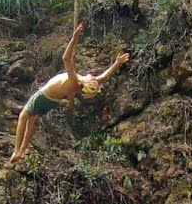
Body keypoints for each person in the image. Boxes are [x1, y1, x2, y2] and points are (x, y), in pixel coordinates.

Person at [9, 22, 130, 163]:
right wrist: (117, 63)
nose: (93, 76)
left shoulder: (75, 81)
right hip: (52, 101)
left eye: (92, 79)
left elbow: (66, 58)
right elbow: (105, 76)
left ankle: (16, 150)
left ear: (87, 83)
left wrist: (74, 38)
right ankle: (23, 150)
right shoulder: (80, 85)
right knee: (33, 120)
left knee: (24, 116)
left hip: (44, 96)